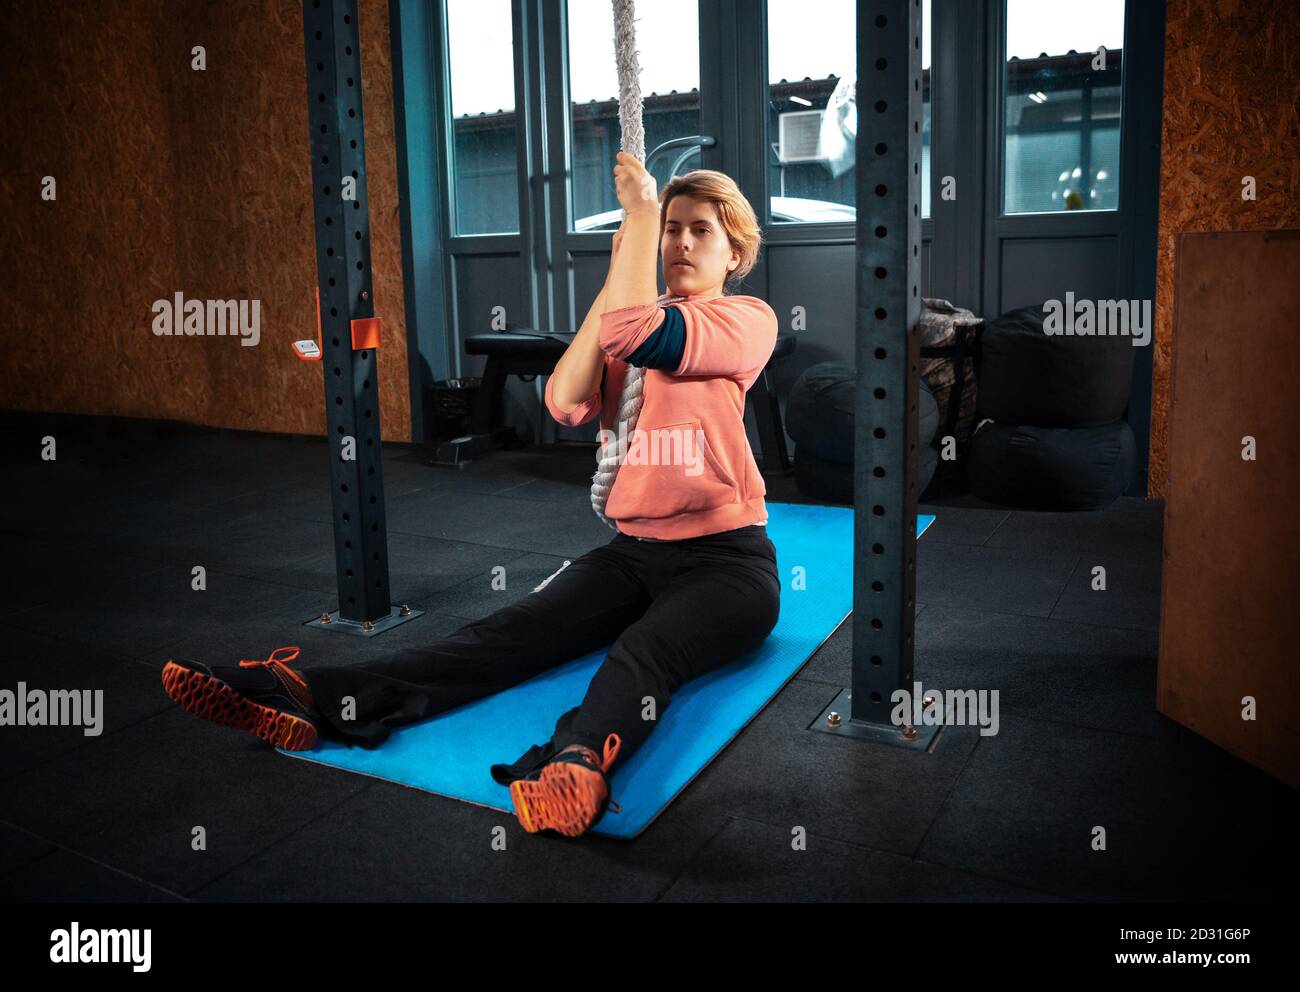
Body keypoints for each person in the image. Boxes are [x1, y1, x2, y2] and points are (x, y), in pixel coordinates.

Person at [162, 153, 782, 838]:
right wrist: (621, 263)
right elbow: (564, 399)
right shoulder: (632, 308)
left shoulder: (745, 320)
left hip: (728, 564)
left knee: (646, 651)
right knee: (507, 633)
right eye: (670, 228)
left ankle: (575, 763)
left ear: (735, 253)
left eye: (701, 230)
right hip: (633, 554)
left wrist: (638, 216)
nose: (681, 242)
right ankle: (316, 694)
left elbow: (640, 335)